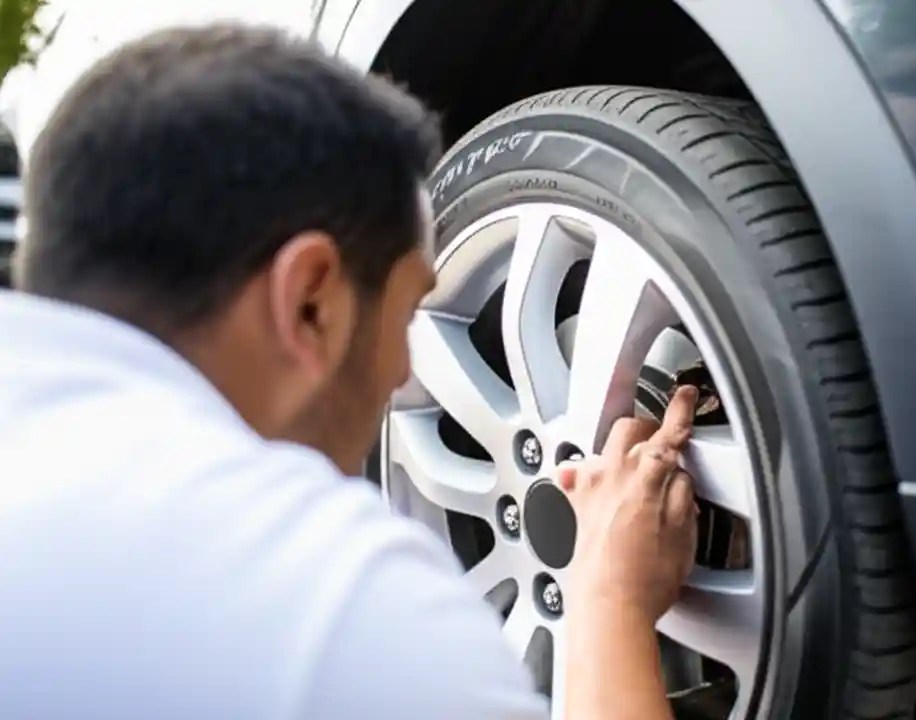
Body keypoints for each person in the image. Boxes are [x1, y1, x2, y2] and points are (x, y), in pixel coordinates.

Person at [0, 24, 699, 719]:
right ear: (310, 302)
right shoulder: (325, 600)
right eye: (404, 319)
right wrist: (609, 599)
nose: (401, 377)